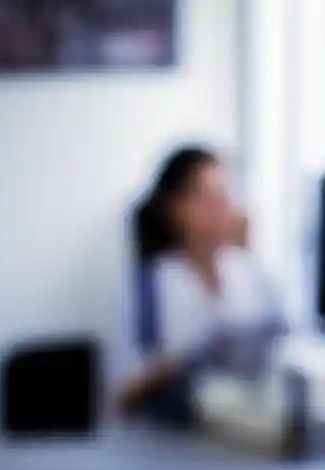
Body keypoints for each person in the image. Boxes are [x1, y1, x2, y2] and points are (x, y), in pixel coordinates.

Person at [119, 146, 284, 421]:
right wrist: (184, 361)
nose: (222, 210)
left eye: (226, 198)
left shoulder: (251, 271)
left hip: (241, 432)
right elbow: (122, 393)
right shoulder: (148, 285)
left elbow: (285, 341)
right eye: (209, 199)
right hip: (170, 439)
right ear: (176, 208)